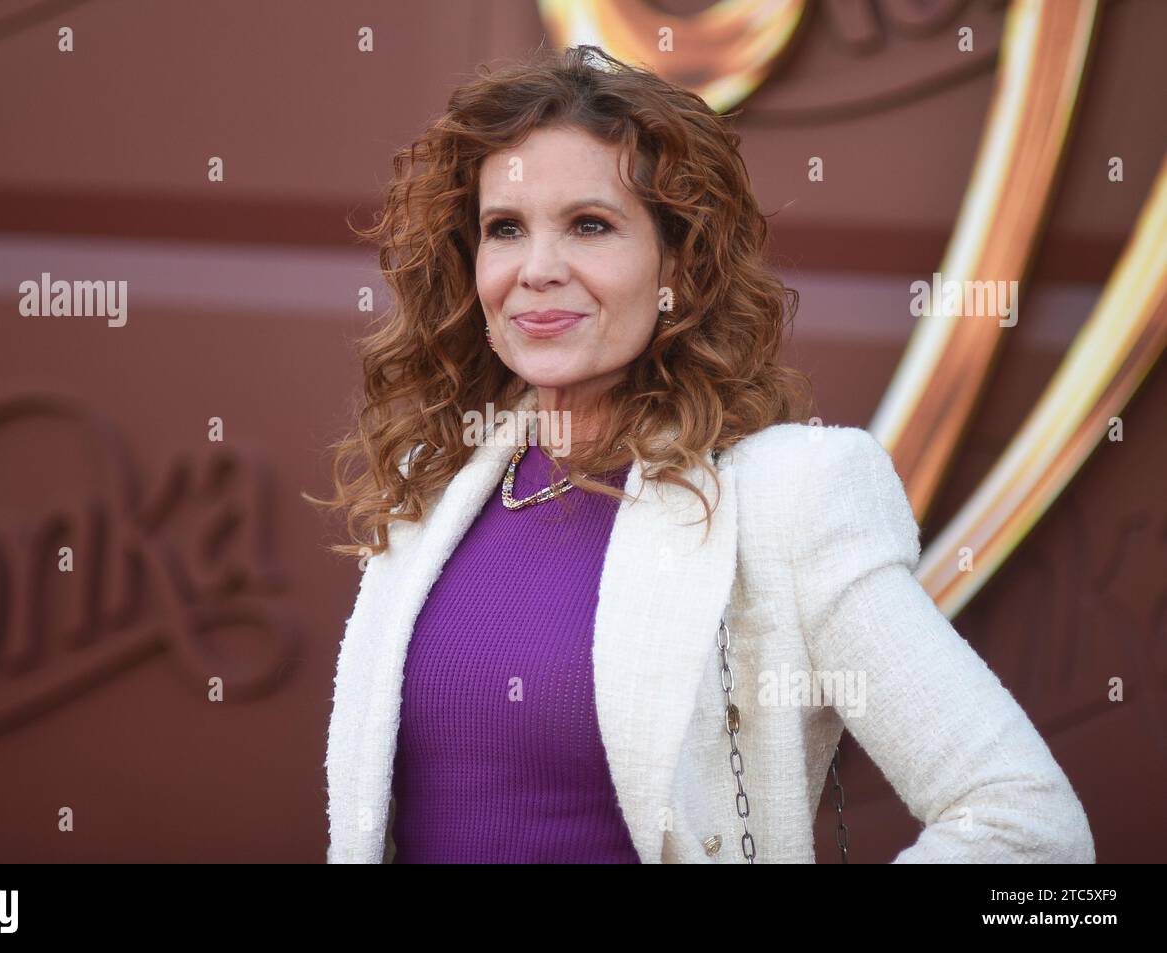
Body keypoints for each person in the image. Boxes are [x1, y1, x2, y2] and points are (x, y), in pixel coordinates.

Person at [310, 45, 1095, 864]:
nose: (537, 270)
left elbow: (1023, 821)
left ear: (677, 267)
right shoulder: (433, 488)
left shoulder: (792, 497)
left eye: (590, 225)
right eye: (505, 229)